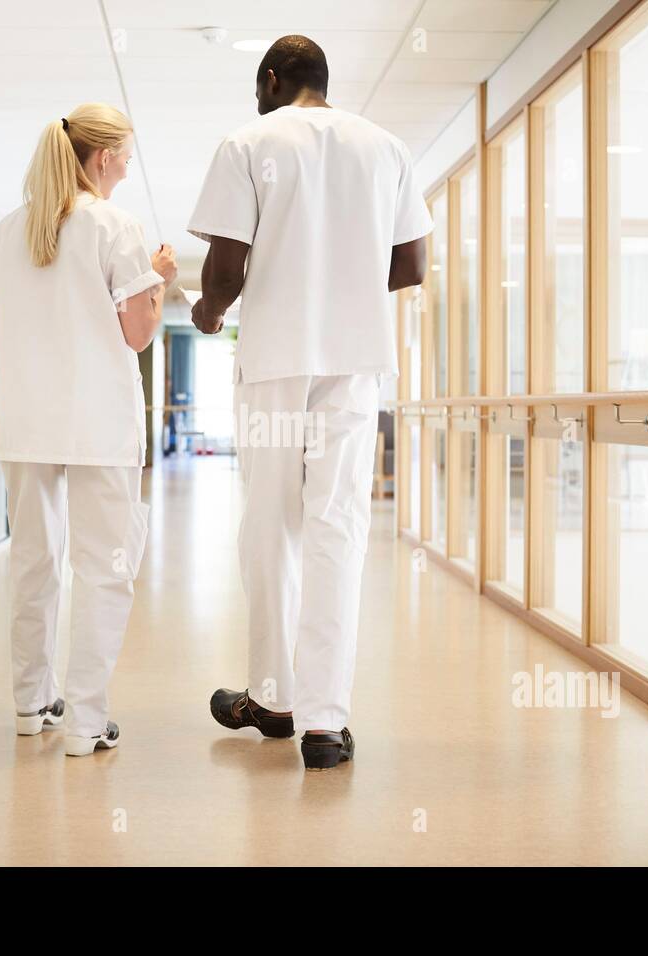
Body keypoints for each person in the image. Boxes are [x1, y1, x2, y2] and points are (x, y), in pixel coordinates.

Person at [187, 35, 431, 770]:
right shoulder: (387, 147)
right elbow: (412, 263)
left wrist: (205, 312)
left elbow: (226, 270)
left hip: (273, 361)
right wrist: (346, 289)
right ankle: (327, 723)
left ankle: (275, 698)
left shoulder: (248, 141)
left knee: (270, 522)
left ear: (269, 80)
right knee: (338, 524)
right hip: (355, 361)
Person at [0, 103, 177, 757]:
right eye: (128, 153)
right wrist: (161, 283)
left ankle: (31, 705)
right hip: (100, 425)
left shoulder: (9, 231)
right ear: (103, 159)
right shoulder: (115, 227)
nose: (130, 163)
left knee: (34, 563)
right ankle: (87, 722)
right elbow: (137, 333)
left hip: (28, 423)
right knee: (105, 568)